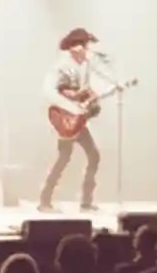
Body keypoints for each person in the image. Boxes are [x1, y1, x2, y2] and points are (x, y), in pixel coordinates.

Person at [39, 28, 117, 214]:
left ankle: (86, 202)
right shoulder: (60, 67)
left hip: (77, 121)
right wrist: (73, 101)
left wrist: (90, 100)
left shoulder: (85, 67)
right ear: (74, 47)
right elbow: (50, 91)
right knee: (63, 158)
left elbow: (82, 92)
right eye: (84, 45)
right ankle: (44, 201)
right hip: (64, 119)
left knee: (93, 155)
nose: (87, 50)